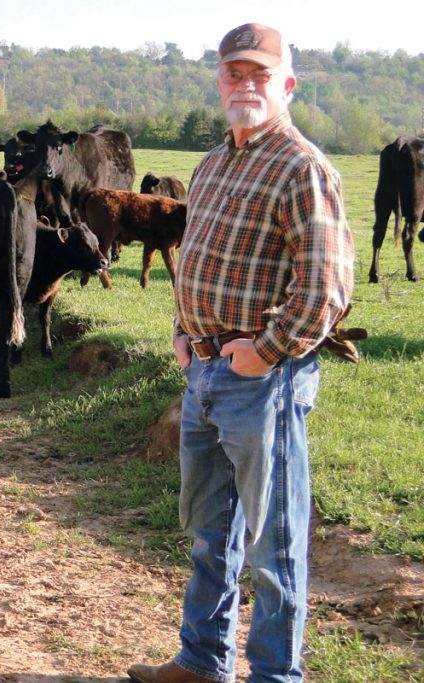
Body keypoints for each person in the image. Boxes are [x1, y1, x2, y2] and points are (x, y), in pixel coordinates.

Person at [127, 23, 355, 683]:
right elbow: (195, 256)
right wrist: (181, 330)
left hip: (263, 381)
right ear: (219, 81)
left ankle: (275, 674)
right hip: (203, 371)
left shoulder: (303, 167)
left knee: (273, 541)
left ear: (287, 83)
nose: (245, 84)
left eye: (260, 73)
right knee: (210, 532)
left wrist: (266, 351)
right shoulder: (214, 161)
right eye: (234, 73)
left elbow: (326, 289)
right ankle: (203, 659)